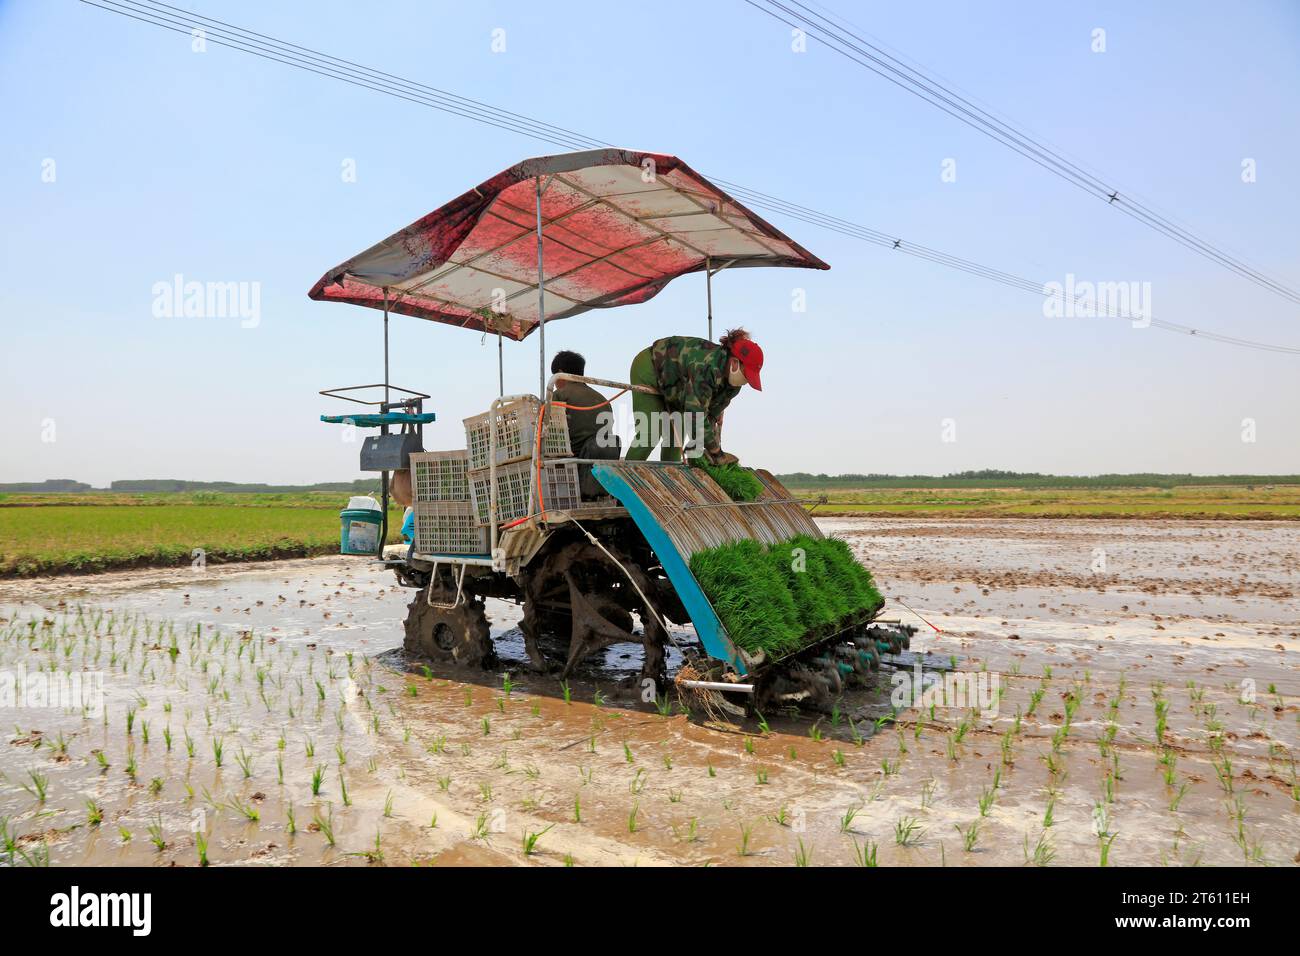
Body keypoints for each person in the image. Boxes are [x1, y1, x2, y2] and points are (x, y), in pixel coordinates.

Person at [625, 328, 762, 465]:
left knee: (675, 441)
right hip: (652, 366)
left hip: (678, 385)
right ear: (734, 362)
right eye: (746, 374)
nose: (746, 381)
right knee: (649, 434)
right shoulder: (705, 367)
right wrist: (717, 452)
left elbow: (710, 416)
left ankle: (671, 480)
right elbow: (695, 414)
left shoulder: (733, 386)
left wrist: (705, 446)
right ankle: (621, 478)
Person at [550, 350, 620, 496]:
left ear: (560, 373)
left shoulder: (560, 395)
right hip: (602, 465)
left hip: (575, 462)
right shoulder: (602, 399)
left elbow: (550, 431)